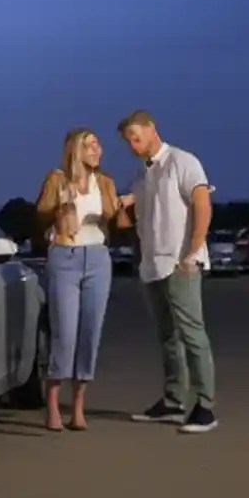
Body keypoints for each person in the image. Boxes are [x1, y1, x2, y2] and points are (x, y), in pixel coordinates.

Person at [116, 109, 219, 434]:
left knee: (192, 334)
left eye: (136, 136)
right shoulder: (141, 175)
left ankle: (205, 406)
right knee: (167, 336)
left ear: (152, 129)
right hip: (152, 265)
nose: (133, 144)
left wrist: (193, 251)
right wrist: (123, 212)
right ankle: (174, 401)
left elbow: (202, 203)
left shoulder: (182, 161)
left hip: (180, 262)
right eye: (128, 140)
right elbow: (135, 222)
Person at [33, 128, 123, 431]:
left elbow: (116, 219)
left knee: (90, 333)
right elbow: (41, 214)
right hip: (65, 258)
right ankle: (53, 405)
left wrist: (125, 205)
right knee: (65, 334)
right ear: (76, 150)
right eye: (90, 145)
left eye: (98, 145)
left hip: (98, 258)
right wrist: (60, 203)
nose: (97, 150)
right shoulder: (57, 178)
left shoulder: (105, 183)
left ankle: (79, 407)